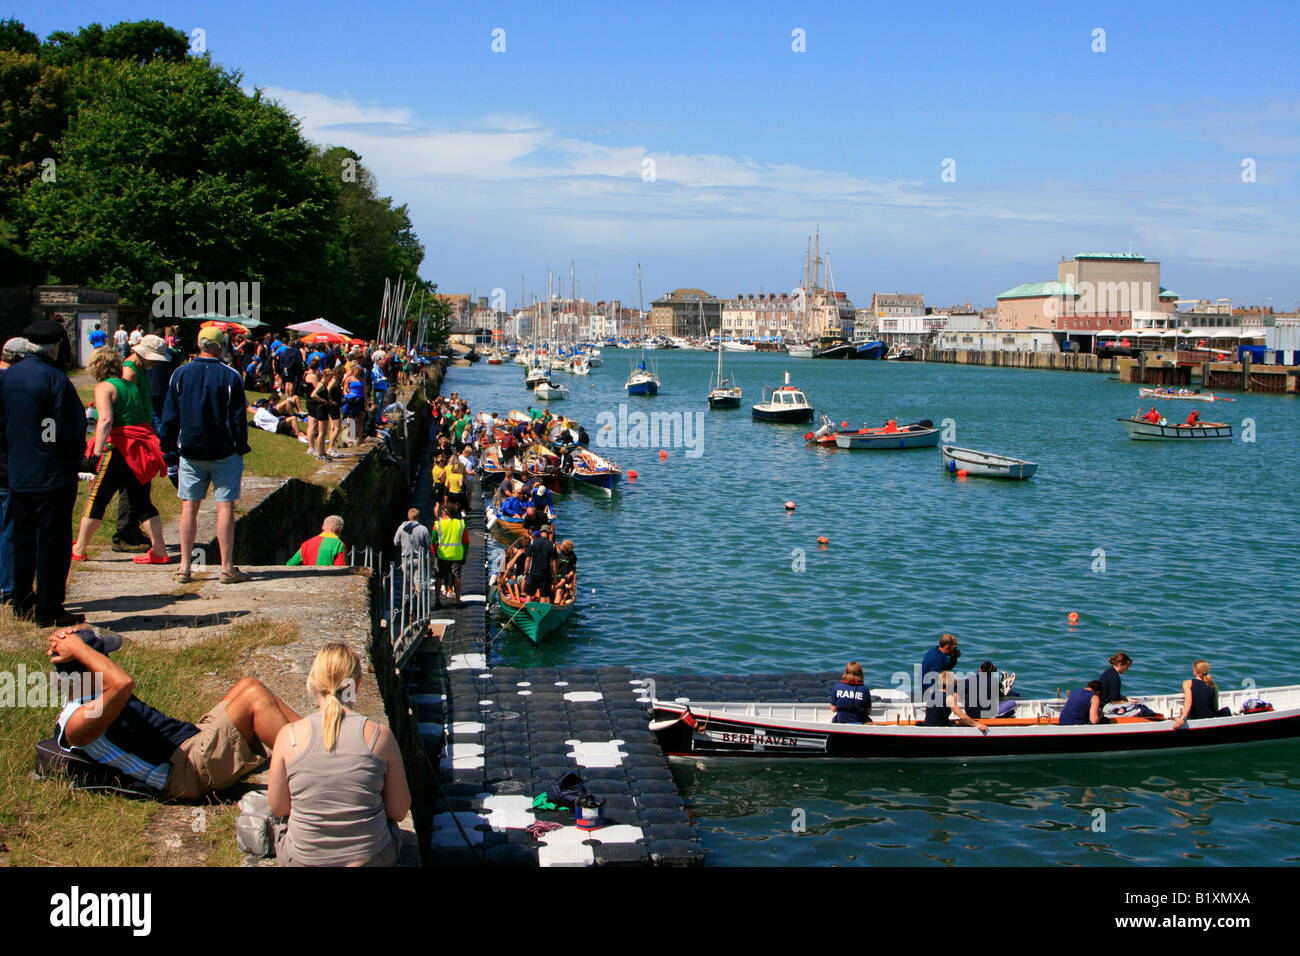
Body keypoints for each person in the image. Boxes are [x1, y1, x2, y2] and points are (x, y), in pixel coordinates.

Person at [49, 623, 300, 797]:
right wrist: (81, 650)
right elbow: (123, 683)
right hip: (186, 773)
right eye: (104, 657)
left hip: (189, 746)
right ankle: (311, 766)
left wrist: (69, 636)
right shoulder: (81, 720)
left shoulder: (92, 692)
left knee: (249, 685)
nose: (111, 661)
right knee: (254, 698)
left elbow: (108, 673)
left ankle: (319, 740)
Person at [268, 643, 410, 866]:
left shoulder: (289, 736)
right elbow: (399, 810)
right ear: (358, 684)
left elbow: (279, 807)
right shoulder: (379, 736)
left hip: (303, 861)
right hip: (370, 860)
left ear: (313, 682)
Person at [0, 321, 86, 627]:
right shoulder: (56, 380)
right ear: (56, 346)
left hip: (19, 472)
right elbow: (68, 429)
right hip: (51, 474)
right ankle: (49, 607)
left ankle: (21, 600)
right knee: (52, 543)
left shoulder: (9, 378)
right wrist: (71, 457)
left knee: (22, 540)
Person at [160, 326, 251, 584]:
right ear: (220, 347)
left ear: (199, 345)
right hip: (224, 450)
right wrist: (240, 447)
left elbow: (170, 415)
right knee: (225, 507)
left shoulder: (180, 374)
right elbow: (237, 419)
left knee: (189, 506)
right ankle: (226, 567)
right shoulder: (231, 376)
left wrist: (167, 446)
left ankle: (185, 567)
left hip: (190, 449)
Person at [70, 348, 169, 565]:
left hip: (117, 448)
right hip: (137, 450)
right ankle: (160, 550)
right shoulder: (130, 386)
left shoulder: (104, 387)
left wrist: (96, 453)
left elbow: (105, 420)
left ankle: (79, 547)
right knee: (142, 502)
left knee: (97, 497)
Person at [922, 670, 989, 734]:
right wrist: (977, 725)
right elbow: (961, 716)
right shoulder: (948, 697)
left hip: (928, 726)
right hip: (940, 730)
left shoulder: (932, 693)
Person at [1171, 660, 1231, 729]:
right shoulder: (1213, 686)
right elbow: (1215, 708)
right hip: (1210, 717)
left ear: (1195, 670)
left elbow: (1188, 702)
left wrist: (1182, 718)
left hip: (1195, 718)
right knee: (1226, 710)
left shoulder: (1188, 683)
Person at [434, 501, 468, 608]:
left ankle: (437, 601)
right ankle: (458, 600)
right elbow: (466, 542)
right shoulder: (460, 524)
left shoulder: (438, 525)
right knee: (457, 578)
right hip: (457, 555)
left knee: (439, 577)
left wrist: (435, 553)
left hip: (442, 555)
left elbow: (434, 541)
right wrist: (464, 555)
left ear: (446, 513)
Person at [919, 633, 959, 705]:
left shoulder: (935, 651)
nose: (955, 650)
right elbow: (932, 683)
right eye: (954, 648)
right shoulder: (937, 659)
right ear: (947, 647)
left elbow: (944, 669)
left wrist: (954, 658)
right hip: (929, 694)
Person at [522, 524, 558, 603]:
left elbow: (528, 559)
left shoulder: (533, 543)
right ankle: (541, 613)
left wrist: (526, 572)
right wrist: (554, 577)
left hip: (533, 573)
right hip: (545, 574)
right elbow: (554, 563)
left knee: (529, 594)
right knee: (543, 595)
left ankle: (528, 610)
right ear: (549, 533)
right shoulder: (552, 545)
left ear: (541, 532)